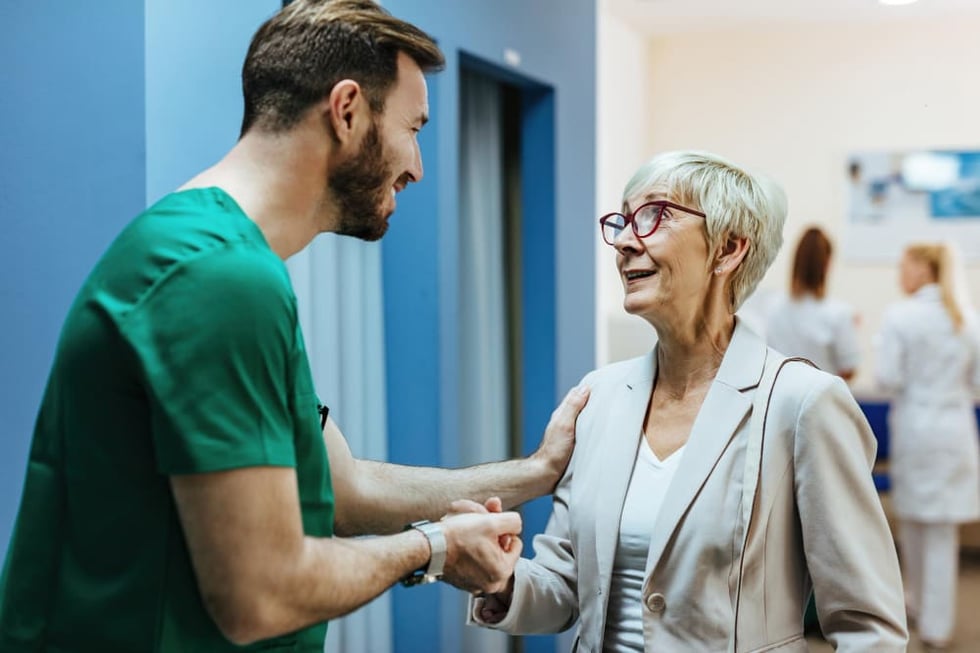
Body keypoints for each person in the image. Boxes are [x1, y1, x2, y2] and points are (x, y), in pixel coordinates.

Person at [0, 1, 589, 651]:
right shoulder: (218, 279)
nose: (417, 165)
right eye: (413, 128)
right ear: (346, 110)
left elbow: (345, 486)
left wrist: (539, 471)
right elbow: (262, 593)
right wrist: (435, 547)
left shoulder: (223, 258)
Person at [468, 151, 907, 651]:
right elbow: (567, 587)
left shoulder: (802, 404)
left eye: (656, 215)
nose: (626, 241)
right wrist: (502, 581)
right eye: (624, 220)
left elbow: (870, 628)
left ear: (728, 249)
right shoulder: (600, 397)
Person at [875, 242, 980, 651]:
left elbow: (887, 378)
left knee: (920, 524)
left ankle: (928, 616)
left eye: (904, 265)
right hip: (953, 430)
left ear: (922, 269)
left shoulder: (901, 317)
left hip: (917, 430)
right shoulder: (967, 320)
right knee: (935, 527)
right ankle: (926, 612)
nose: (900, 274)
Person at [766, 226, 860, 381]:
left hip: (780, 397)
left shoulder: (773, 306)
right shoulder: (838, 313)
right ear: (827, 263)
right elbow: (848, 369)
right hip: (821, 399)